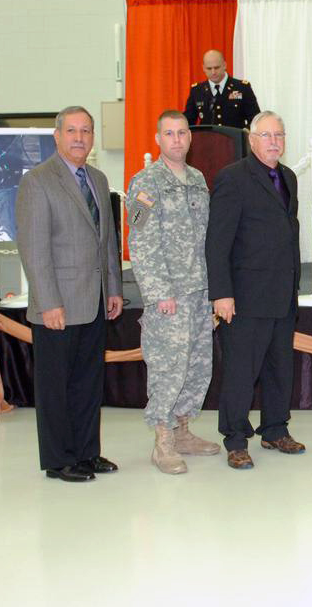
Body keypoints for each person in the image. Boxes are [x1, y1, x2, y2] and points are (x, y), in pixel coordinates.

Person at [15, 106, 123, 483]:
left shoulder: (97, 177)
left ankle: (87, 452)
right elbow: (35, 249)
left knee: (87, 384)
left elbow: (106, 241)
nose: (80, 137)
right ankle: (59, 459)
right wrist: (49, 302)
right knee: (56, 387)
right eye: (72, 131)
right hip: (57, 305)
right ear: (57, 136)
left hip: (94, 301)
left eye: (86, 131)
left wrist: (113, 288)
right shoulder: (38, 181)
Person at [206, 110, 304, 469]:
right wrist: (221, 293)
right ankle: (235, 439)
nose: (274, 141)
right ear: (251, 139)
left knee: (280, 369)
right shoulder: (233, 178)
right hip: (244, 296)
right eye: (267, 135)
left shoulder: (289, 177)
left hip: (281, 293)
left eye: (279, 135)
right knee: (241, 373)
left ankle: (275, 429)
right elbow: (217, 242)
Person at [125, 110, 219, 475]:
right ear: (158, 139)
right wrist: (159, 292)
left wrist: (213, 293)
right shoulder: (145, 183)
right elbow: (140, 241)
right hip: (169, 296)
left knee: (197, 367)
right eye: (170, 133)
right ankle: (162, 440)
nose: (177, 139)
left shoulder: (197, 179)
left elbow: (206, 239)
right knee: (168, 367)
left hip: (199, 293)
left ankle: (182, 431)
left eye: (182, 133)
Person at [183, 49, 260, 129]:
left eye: (216, 67)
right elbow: (188, 121)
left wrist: (245, 134)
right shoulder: (197, 90)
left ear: (224, 65)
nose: (213, 72)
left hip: (235, 139)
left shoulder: (242, 88)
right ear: (203, 68)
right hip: (208, 140)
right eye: (209, 68)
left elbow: (256, 120)